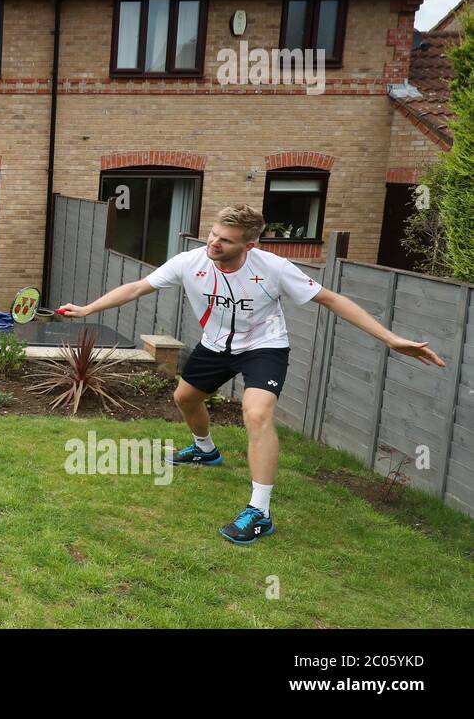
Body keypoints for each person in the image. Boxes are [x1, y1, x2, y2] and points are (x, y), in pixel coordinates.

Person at [58, 204, 444, 544]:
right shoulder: (189, 262)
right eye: (212, 234)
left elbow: (331, 299)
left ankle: (259, 512)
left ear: (250, 245)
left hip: (264, 347)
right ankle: (205, 450)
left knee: (256, 413)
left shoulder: (274, 269)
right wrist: (89, 309)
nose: (213, 244)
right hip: (215, 344)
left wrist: (391, 338)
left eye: (225, 240)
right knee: (184, 398)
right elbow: (139, 287)